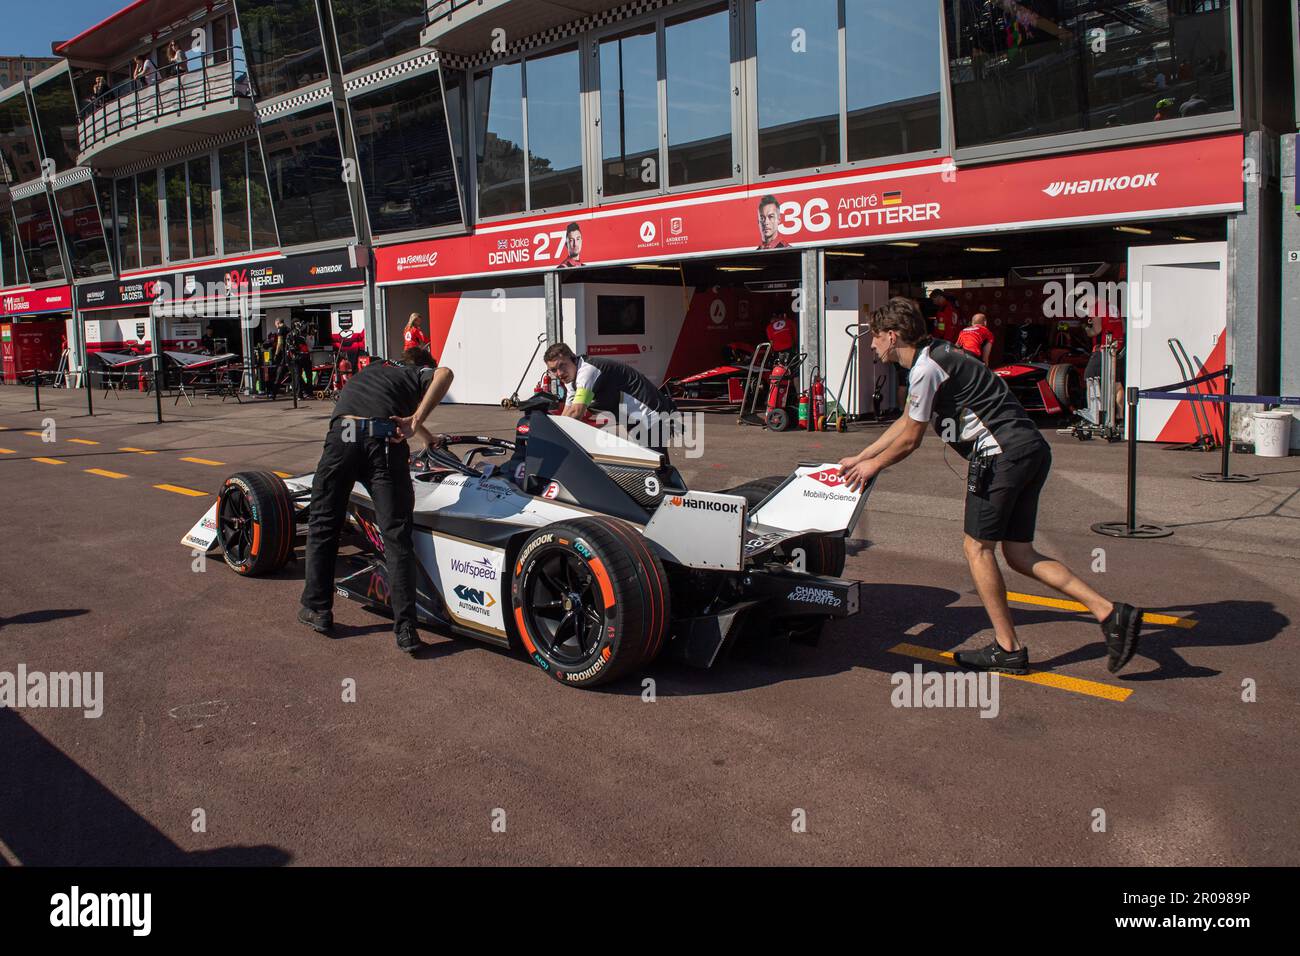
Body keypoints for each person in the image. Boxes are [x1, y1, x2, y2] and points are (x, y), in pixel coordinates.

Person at [837, 297, 1146, 675]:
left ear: (893, 335)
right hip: (1030, 448)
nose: (871, 344)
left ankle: (1008, 649)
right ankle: (1111, 613)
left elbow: (909, 440)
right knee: (1018, 554)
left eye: (875, 337)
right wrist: (860, 456)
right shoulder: (936, 354)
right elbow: (906, 420)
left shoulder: (926, 367)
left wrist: (872, 466)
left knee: (977, 549)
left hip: (1000, 455)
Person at [299, 347, 454, 653]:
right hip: (383, 444)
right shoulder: (416, 372)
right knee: (396, 536)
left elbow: (387, 409)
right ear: (420, 368)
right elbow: (445, 375)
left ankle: (317, 610)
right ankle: (407, 628)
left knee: (323, 525)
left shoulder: (372, 371)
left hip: (343, 436)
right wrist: (416, 420)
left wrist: (425, 436)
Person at [544, 343, 678, 454]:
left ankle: (668, 484)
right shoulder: (571, 377)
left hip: (651, 413)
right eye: (553, 370)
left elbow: (576, 412)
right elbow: (567, 414)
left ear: (573, 359)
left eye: (562, 365)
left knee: (655, 467)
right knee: (651, 465)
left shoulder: (587, 371)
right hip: (635, 419)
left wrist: (551, 440)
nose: (559, 373)